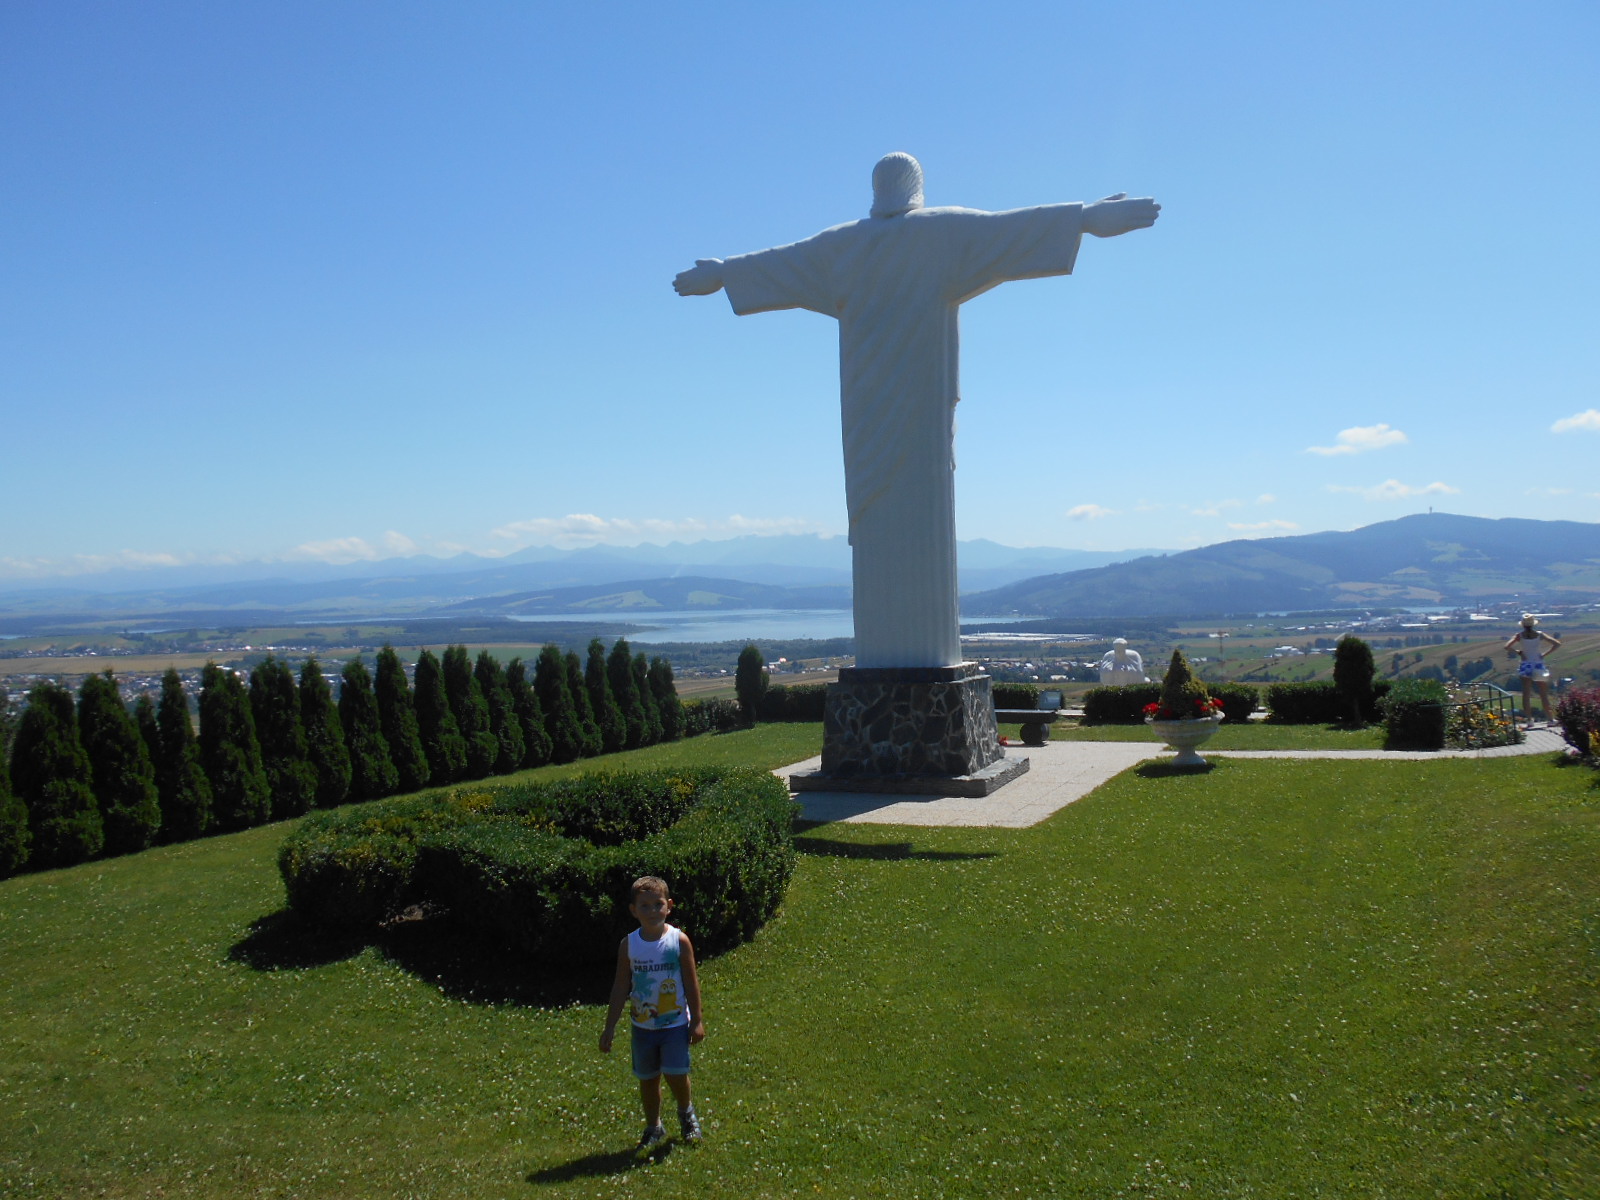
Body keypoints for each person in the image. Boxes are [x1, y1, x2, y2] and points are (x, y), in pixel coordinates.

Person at [673, 153, 1159, 669]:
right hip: (919, 409)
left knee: (878, 505)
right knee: (911, 505)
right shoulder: (938, 233)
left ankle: (888, 659)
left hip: (865, 409)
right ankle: (923, 659)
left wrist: (724, 273)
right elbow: (1009, 231)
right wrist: (1083, 217)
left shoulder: (841, 244)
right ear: (917, 189)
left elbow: (781, 262)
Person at [599, 876, 705, 1150]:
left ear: (669, 906)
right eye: (644, 906)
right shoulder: (629, 945)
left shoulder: (678, 941)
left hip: (675, 1024)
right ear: (633, 910)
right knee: (648, 1079)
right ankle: (654, 1126)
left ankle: (686, 1114)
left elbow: (691, 983)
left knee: (676, 1073)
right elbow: (621, 985)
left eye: (658, 904)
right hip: (643, 1028)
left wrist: (698, 1021)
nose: (652, 911)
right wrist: (609, 1027)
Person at [1504, 614, 1561, 728]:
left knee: (1526, 694)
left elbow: (1507, 646)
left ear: (1523, 625)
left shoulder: (1519, 636)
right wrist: (1544, 654)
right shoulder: (1539, 634)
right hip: (1538, 664)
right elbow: (1557, 644)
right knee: (1543, 693)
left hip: (1526, 664)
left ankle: (1529, 720)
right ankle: (1550, 719)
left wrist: (1519, 652)